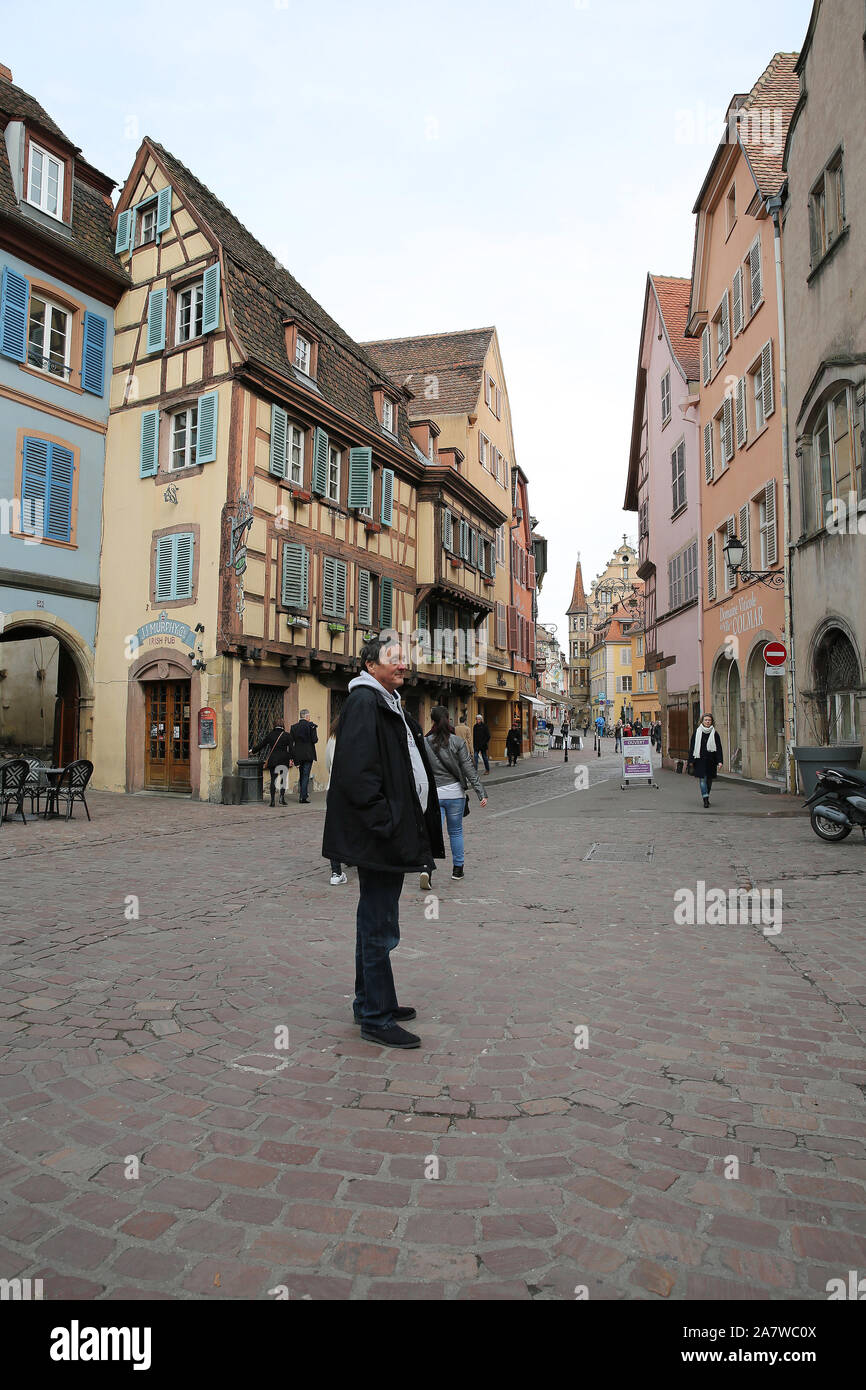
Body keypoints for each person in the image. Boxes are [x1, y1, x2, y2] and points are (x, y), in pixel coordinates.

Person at [322, 636, 444, 1049]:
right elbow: (357, 777)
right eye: (394, 659)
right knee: (378, 926)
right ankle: (375, 1017)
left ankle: (373, 1001)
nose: (403, 665)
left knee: (376, 922)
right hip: (380, 838)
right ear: (370, 665)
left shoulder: (388, 703)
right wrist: (387, 824)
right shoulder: (364, 703)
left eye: (404, 659)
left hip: (390, 834)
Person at [424, 705, 487, 882]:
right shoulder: (458, 742)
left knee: (432, 833)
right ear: (448, 720)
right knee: (456, 832)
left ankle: (426, 870)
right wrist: (481, 793)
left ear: (433, 721)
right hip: (455, 795)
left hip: (434, 795)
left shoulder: (425, 742)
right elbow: (469, 768)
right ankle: (458, 869)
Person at [250, 718, 293, 807]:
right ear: (283, 725)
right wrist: (292, 760)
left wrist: (253, 751)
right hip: (284, 760)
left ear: (274, 724)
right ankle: (281, 798)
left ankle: (272, 801)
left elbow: (262, 745)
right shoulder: (287, 735)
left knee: (273, 779)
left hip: (273, 760)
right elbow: (292, 750)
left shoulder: (271, 735)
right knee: (283, 779)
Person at [325, 714, 346, 885]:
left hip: (334, 788)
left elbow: (327, 763)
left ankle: (335, 871)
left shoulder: (332, 739)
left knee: (334, 829)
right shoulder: (356, 738)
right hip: (352, 789)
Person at [687, 711, 724, 807]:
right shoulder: (697, 732)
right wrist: (690, 761)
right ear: (702, 721)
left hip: (711, 761)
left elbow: (719, 748)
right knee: (702, 780)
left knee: (709, 782)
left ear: (712, 722)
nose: (707, 722)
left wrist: (720, 761)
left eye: (709, 720)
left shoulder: (715, 734)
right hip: (699, 760)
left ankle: (706, 794)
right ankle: (705, 800)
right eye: (706, 720)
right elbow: (692, 747)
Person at [289, 708, 318, 803]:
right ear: (306, 716)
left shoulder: (294, 727)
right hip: (309, 754)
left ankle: (303, 794)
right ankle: (303, 797)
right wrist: (313, 730)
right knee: (306, 775)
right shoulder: (311, 726)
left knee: (302, 775)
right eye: (309, 716)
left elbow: (291, 743)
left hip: (298, 755)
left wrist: (292, 757)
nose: (309, 718)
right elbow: (315, 740)